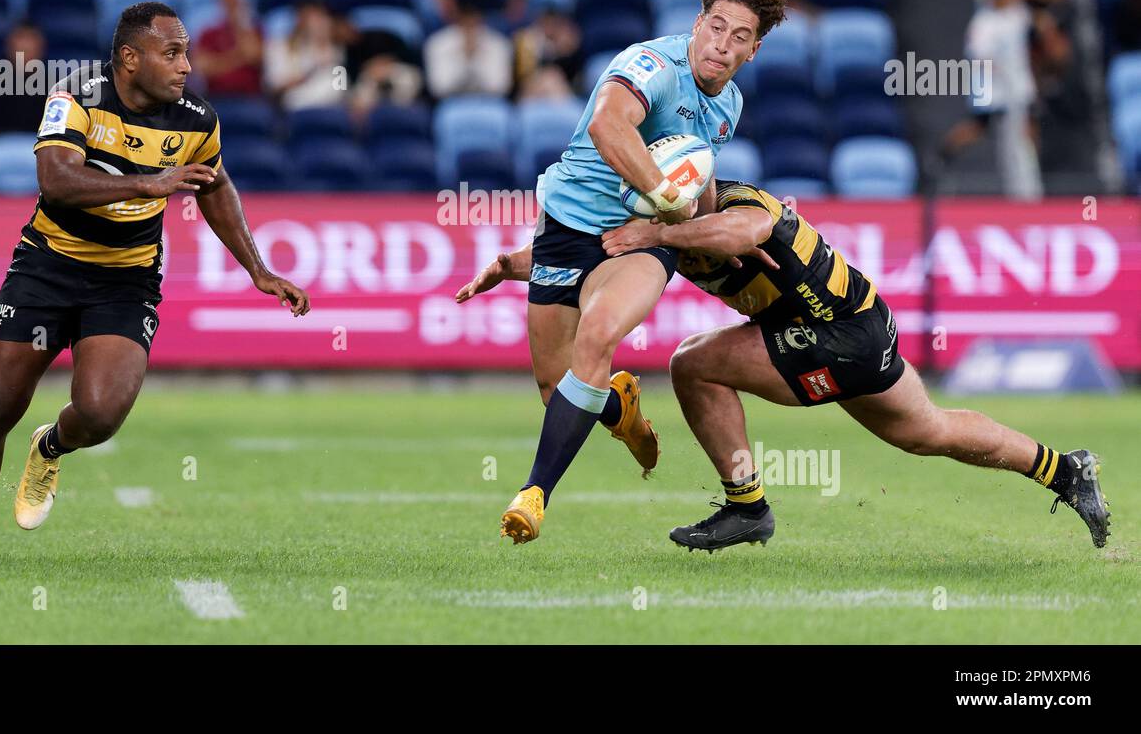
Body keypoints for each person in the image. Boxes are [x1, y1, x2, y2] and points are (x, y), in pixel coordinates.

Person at [457, 177, 1111, 551]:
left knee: (693, 364)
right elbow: (597, 254)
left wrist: (657, 233)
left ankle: (748, 506)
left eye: (679, 199)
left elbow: (744, 233)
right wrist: (511, 267)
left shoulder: (738, 207)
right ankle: (1065, 470)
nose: (670, 208)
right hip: (852, 326)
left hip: (841, 333)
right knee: (927, 432)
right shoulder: (671, 222)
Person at [0, 2, 311, 567]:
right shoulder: (76, 95)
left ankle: (50, 445)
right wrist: (149, 184)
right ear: (130, 59)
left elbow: (215, 185)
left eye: (186, 53)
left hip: (126, 278)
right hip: (47, 266)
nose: (186, 65)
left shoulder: (196, 118)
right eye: (172, 52)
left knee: (100, 414)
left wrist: (258, 269)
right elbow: (55, 180)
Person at [458, 0, 789, 544]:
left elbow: (700, 177)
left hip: (640, 240)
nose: (722, 44)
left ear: (754, 50)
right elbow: (610, 126)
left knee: (600, 331)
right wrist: (520, 260)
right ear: (698, 23)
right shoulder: (651, 65)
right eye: (716, 27)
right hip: (566, 229)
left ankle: (534, 495)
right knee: (555, 385)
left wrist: (715, 237)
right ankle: (621, 409)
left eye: (740, 37)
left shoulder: (729, 103)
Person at [940, 0, 1042, 200]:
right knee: (978, 128)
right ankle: (941, 159)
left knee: (1029, 127)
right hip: (993, 88)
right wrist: (1000, 71)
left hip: (1019, 86)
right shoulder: (983, 24)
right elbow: (980, 56)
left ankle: (1031, 176)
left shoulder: (1019, 14)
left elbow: (1036, 28)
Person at [263, 0, 346, 110]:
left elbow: (341, 87)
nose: (315, 24)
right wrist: (306, 73)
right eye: (309, 18)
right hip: (297, 107)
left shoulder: (336, 50)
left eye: (320, 19)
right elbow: (274, 87)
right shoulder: (279, 47)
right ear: (298, 19)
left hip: (331, 108)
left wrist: (324, 47)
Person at [423, 4, 513, 99]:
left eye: (474, 20)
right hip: (451, 102)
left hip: (491, 102)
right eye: (465, 20)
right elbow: (438, 88)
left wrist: (476, 58)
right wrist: (463, 57)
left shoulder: (499, 43)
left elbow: (501, 86)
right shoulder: (437, 43)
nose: (470, 25)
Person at [193, 0, 263, 97]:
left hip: (250, 96)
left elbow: (255, 57)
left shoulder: (254, 28)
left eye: (235, 1)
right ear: (220, 0)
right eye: (228, 0)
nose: (232, 5)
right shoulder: (208, 32)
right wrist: (239, 56)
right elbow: (202, 68)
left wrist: (241, 25)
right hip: (216, 96)